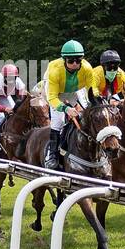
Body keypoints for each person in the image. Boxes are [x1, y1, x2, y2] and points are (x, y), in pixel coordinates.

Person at [42, 39, 94, 171]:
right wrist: (66, 109)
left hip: (75, 90)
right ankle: (52, 155)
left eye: (78, 60)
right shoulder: (55, 70)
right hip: (56, 92)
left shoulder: (87, 68)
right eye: (71, 61)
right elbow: (52, 98)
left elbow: (92, 92)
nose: (75, 64)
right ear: (64, 59)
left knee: (89, 114)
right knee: (58, 121)